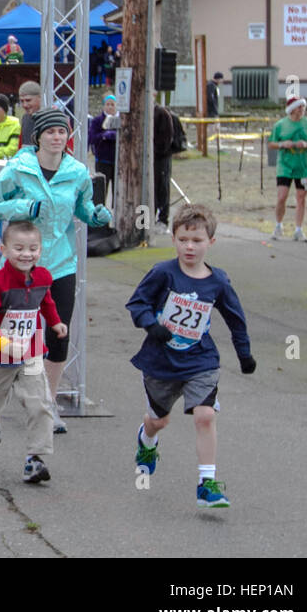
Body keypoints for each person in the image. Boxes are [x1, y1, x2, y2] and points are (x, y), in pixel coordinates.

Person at [0, 107, 113, 432]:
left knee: (58, 332)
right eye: (51, 132)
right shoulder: (19, 168)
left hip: (60, 265)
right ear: (37, 136)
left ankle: (49, 404)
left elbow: (82, 209)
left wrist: (96, 216)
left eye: (62, 132)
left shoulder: (78, 172)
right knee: (12, 336)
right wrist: (26, 207)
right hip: (20, 267)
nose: (57, 137)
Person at [126, 204, 255, 508]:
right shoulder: (162, 273)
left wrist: (244, 354)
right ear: (174, 239)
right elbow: (137, 304)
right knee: (159, 421)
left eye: (197, 241)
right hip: (161, 362)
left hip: (200, 360)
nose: (189, 246)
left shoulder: (218, 281)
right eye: (183, 239)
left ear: (211, 242)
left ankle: (206, 484)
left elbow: (236, 319)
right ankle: (146, 440)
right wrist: (151, 325)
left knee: (205, 415)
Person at [0, 219, 67, 484]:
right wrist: (5, 345)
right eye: (19, 248)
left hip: (31, 352)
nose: (26, 254)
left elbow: (45, 302)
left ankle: (35, 459)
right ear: (3, 249)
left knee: (40, 403)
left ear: (40, 249)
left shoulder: (43, 277)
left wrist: (56, 322)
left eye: (33, 248)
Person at [269, 95, 307, 241]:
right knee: (282, 196)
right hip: (285, 166)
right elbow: (271, 143)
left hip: (304, 166)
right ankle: (278, 225)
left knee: (301, 198)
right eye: (299, 107)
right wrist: (282, 144)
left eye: (303, 107)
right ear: (292, 110)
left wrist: (306, 144)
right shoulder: (280, 125)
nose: (302, 110)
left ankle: (299, 229)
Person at [87, 93, 119, 204]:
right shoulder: (97, 121)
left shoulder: (120, 120)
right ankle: (101, 217)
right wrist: (104, 135)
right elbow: (92, 138)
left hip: (118, 162)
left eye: (112, 104)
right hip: (102, 160)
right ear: (104, 106)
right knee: (101, 192)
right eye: (107, 104)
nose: (110, 107)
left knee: (118, 193)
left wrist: (115, 136)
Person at [16, 81, 43, 147]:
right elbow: (21, 146)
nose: (25, 105)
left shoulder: (53, 117)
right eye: (22, 101)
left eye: (28, 100)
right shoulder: (25, 118)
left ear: (40, 98)